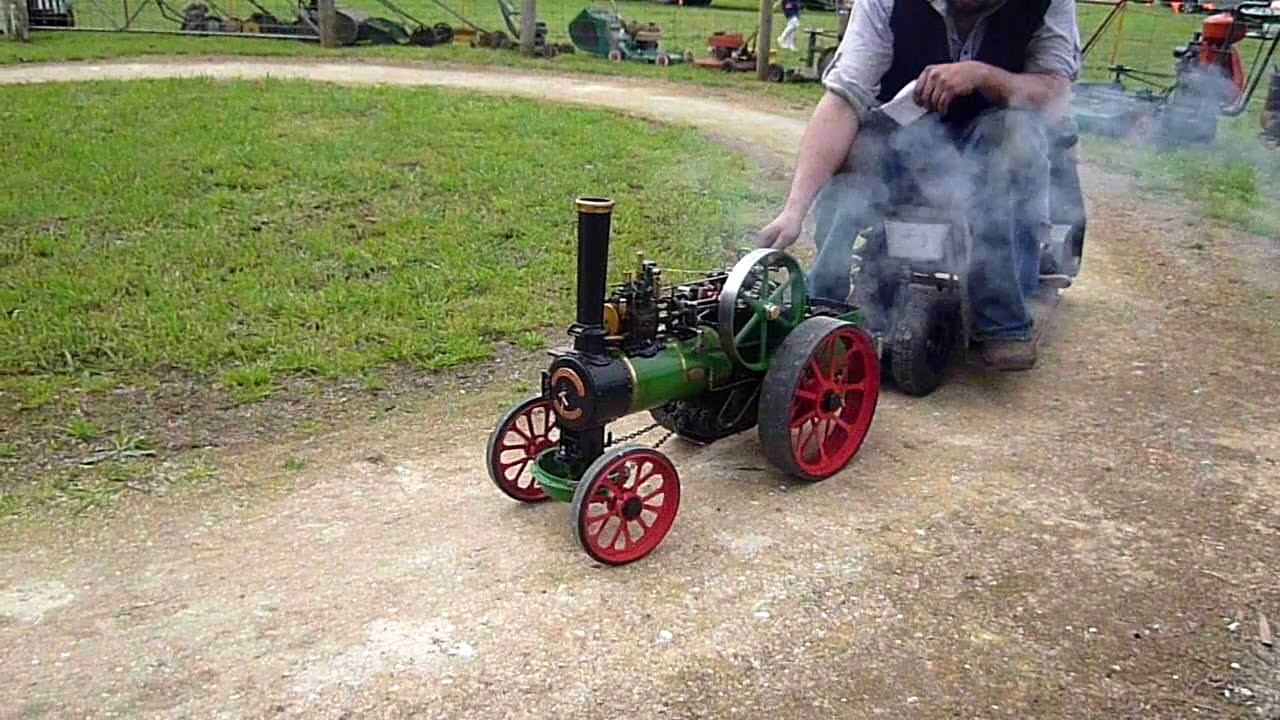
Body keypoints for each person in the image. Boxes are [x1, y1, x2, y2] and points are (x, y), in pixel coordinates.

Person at [755, 0, 1081, 371]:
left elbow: (1055, 92)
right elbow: (843, 100)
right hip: (907, 130)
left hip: (995, 134)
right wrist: (793, 211)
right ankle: (825, 303)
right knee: (858, 148)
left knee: (1014, 134)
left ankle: (1000, 317)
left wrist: (982, 75)